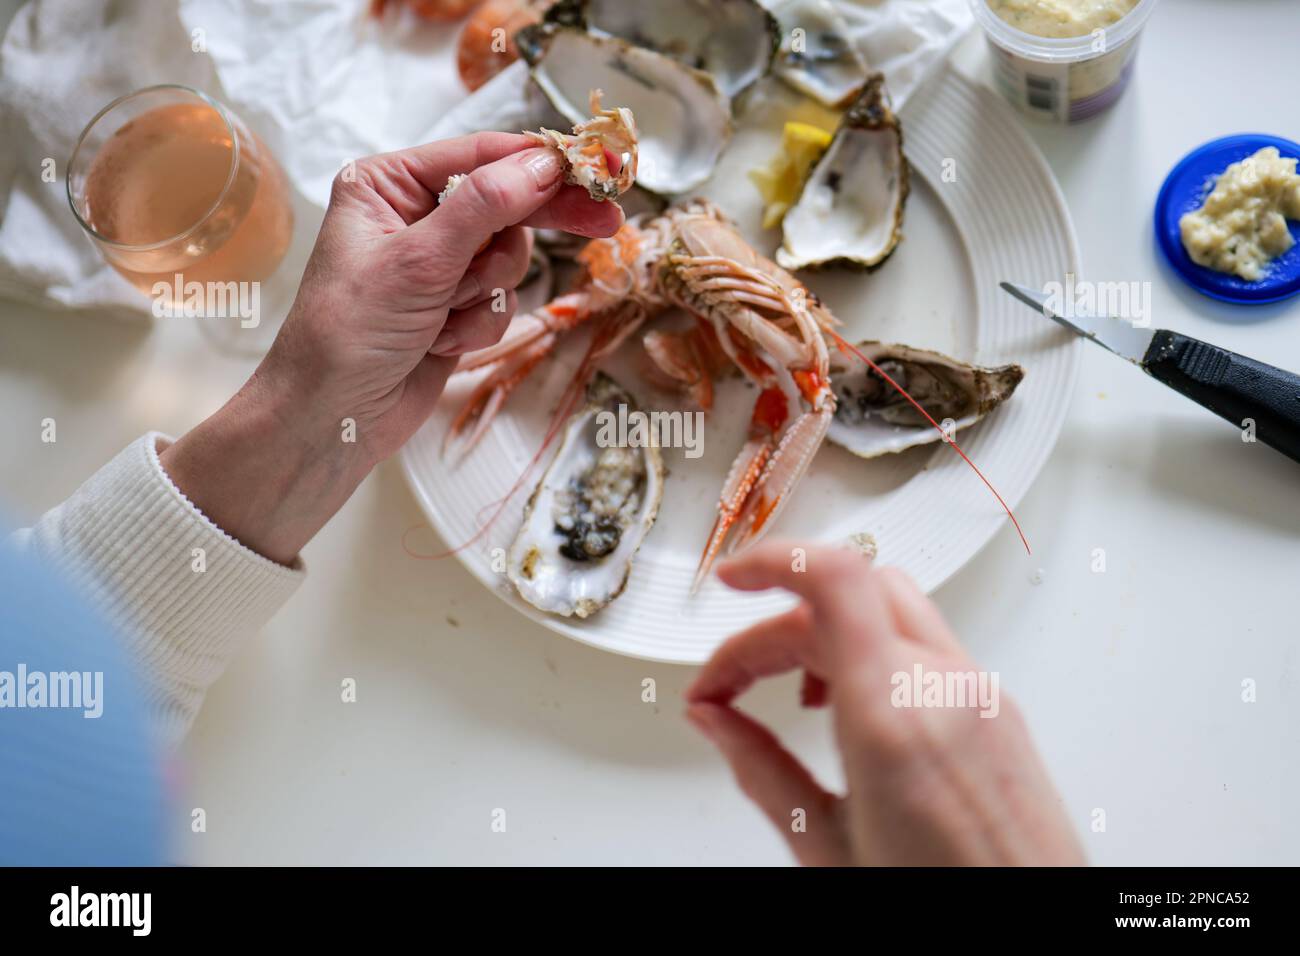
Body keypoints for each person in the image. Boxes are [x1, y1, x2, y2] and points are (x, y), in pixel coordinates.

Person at [4, 134, 1082, 865]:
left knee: (768, 369)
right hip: (656, 268)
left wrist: (307, 413)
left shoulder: (54, 700)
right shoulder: (68, 767)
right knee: (583, 331)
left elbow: (76, 672)